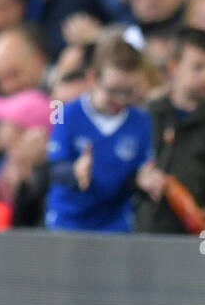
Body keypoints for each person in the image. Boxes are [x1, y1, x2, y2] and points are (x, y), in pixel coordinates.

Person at [135, 27, 205, 233]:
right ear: (174, 68)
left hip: (197, 232)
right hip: (150, 228)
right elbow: (130, 162)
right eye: (198, 67)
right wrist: (139, 178)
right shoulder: (150, 114)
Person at [45, 37, 153, 232]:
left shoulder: (141, 121)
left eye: (129, 92)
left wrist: (142, 179)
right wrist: (75, 172)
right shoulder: (65, 113)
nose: (120, 99)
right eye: (113, 91)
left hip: (114, 223)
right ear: (93, 78)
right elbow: (55, 167)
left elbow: (137, 172)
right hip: (69, 219)